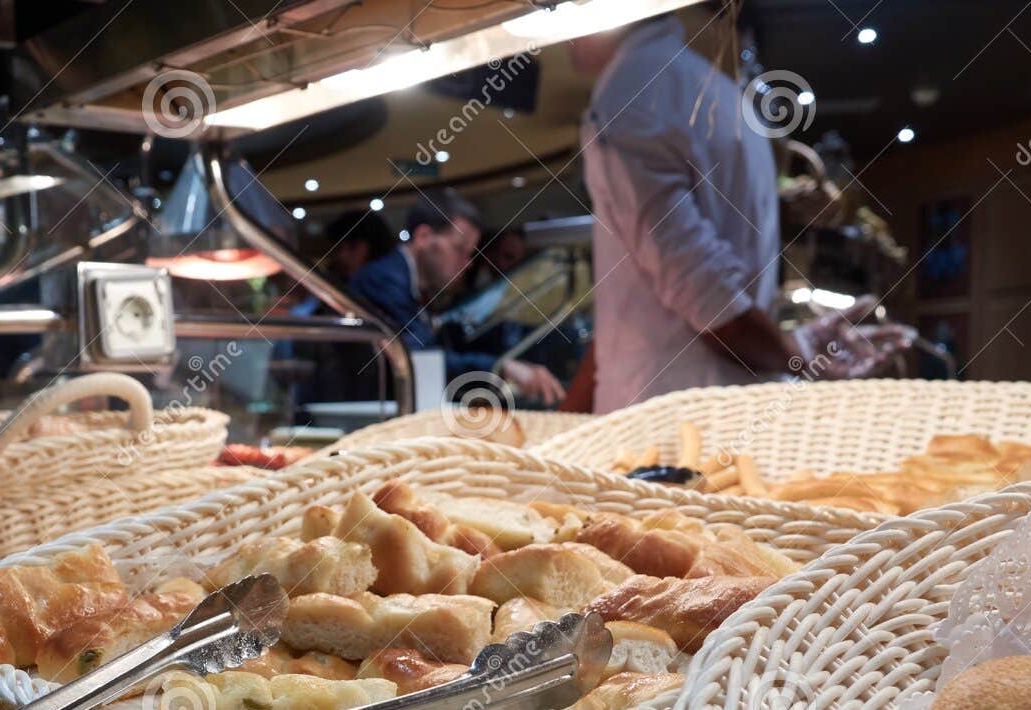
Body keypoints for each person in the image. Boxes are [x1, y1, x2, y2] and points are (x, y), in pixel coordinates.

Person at [568, 7, 903, 412]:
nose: (566, 33)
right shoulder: (723, 94)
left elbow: (708, 296)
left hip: (663, 420)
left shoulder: (635, 86)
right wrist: (795, 352)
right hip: (729, 409)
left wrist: (795, 351)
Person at [350, 191, 564, 406]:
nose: (468, 262)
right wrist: (502, 367)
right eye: (459, 249)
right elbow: (420, 359)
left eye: (470, 252)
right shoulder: (382, 279)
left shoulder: (420, 286)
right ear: (424, 237)